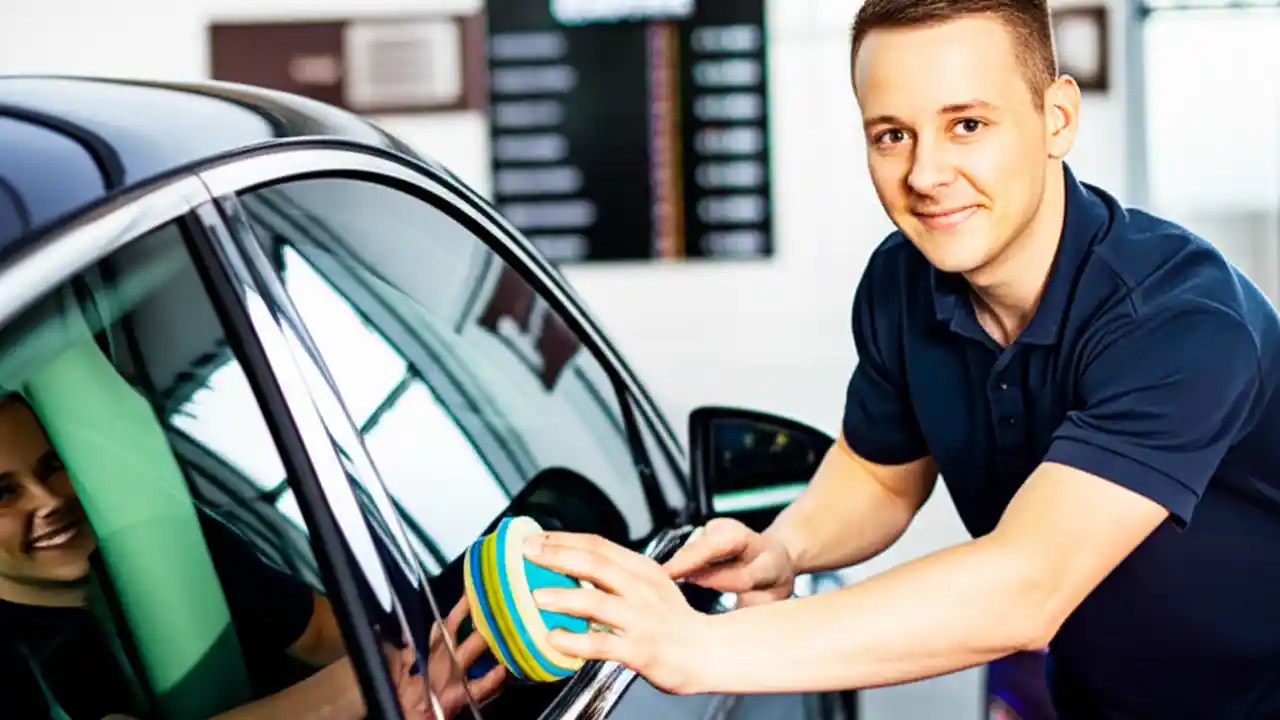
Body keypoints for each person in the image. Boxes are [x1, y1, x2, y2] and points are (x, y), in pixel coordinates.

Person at [514, 1, 1280, 717]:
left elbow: (1026, 587)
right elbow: (882, 471)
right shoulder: (902, 282)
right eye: (892, 134)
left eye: (968, 124)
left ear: (1057, 117)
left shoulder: (1182, 319)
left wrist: (699, 647)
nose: (925, 174)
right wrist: (785, 546)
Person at [0, 393, 505, 719]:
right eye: (4, 494)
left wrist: (429, 654)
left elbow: (317, 631)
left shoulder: (163, 541)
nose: (48, 501)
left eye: (53, 466)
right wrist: (363, 688)